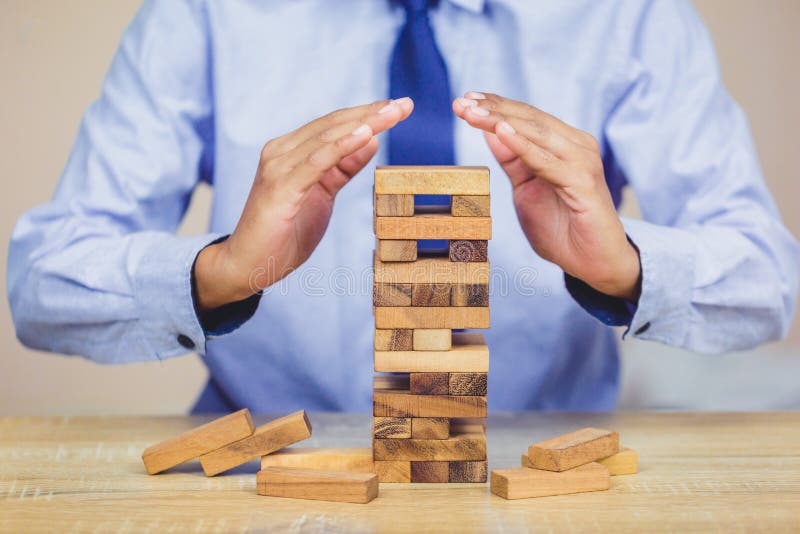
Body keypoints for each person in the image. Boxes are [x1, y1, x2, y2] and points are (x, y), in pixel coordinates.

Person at [7, 0, 798, 413]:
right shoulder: (206, 12)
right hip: (266, 472)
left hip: (541, 469)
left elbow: (769, 281)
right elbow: (41, 285)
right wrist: (220, 272)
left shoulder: (632, 14)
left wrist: (623, 268)